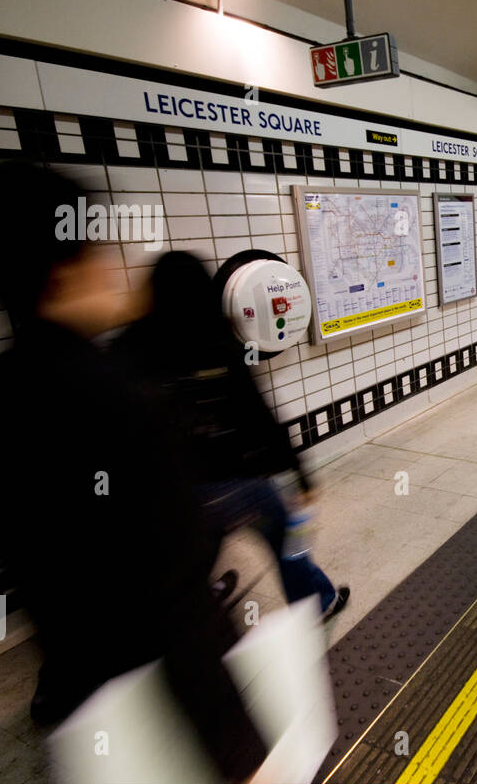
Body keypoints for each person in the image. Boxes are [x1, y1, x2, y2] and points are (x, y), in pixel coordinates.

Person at [0, 162, 268, 784]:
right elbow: (172, 593)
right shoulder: (116, 398)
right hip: (168, 703)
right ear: (67, 266)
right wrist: (240, 756)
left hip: (85, 703)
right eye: (100, 247)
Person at [115, 252, 349, 621]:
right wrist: (298, 472)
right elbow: (257, 412)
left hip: (175, 493)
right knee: (287, 537)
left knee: (192, 556)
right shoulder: (213, 336)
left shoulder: (130, 347)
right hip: (234, 483)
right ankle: (318, 601)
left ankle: (201, 603)